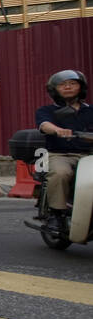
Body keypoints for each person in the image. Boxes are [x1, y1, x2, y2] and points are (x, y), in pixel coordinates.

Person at [36, 69, 93, 234]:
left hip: (88, 155)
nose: (68, 87)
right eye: (63, 85)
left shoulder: (90, 110)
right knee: (60, 173)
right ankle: (57, 214)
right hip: (61, 154)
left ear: (80, 87)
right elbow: (44, 125)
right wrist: (57, 130)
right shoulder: (46, 110)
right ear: (55, 90)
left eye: (72, 83)